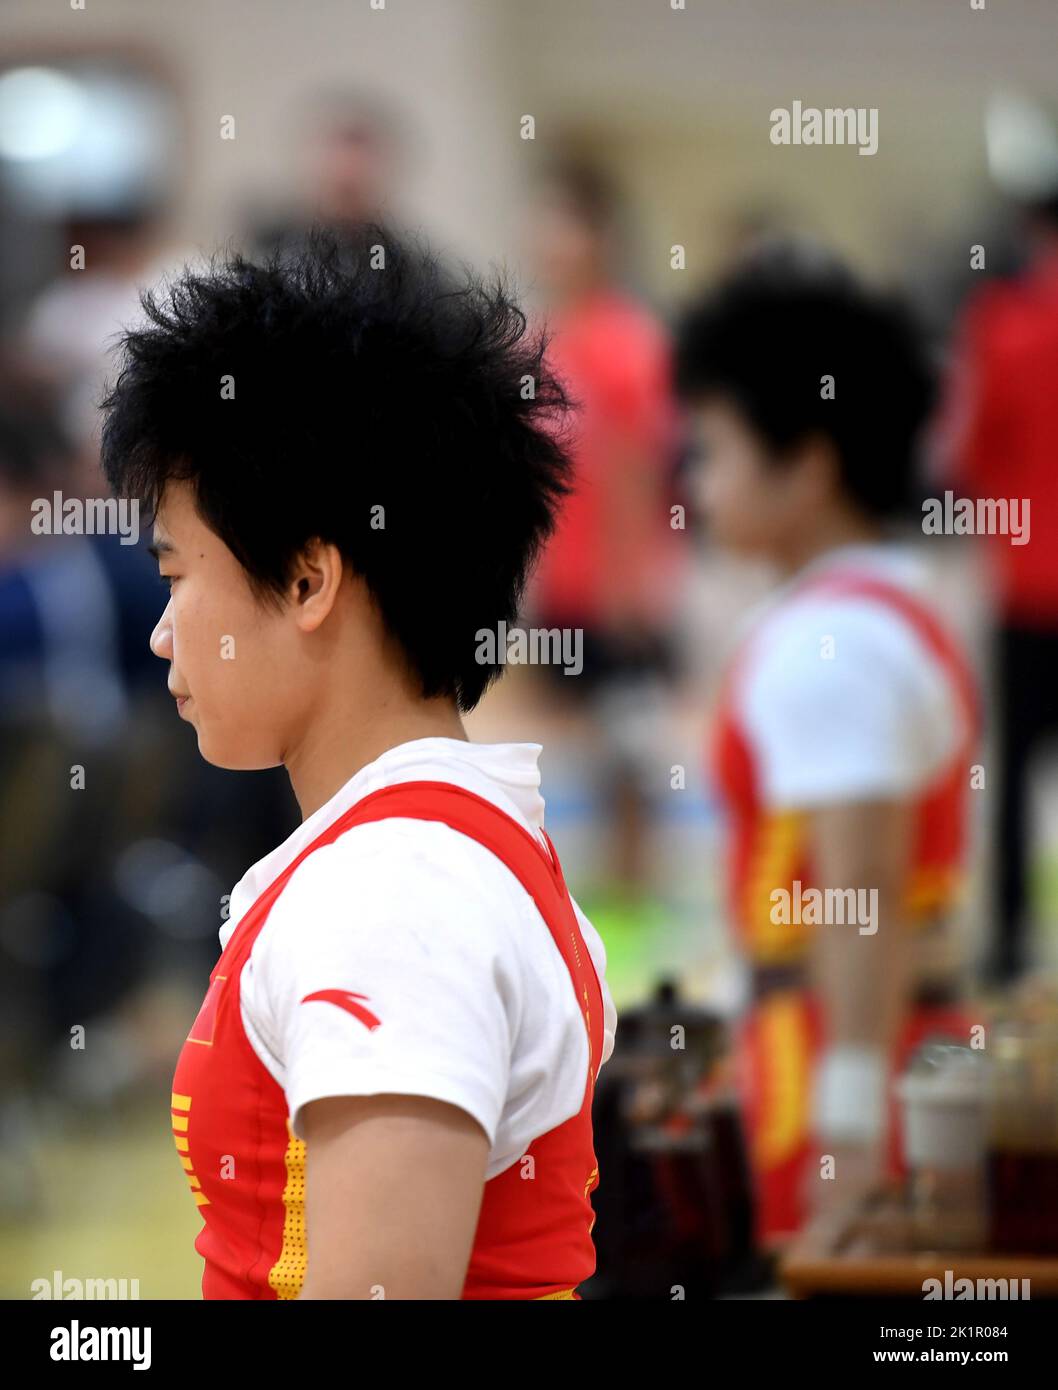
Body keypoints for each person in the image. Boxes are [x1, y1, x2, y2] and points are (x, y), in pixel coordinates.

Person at [99, 227, 617, 1300]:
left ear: (305, 581)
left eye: (177, 573)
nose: (161, 634)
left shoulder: (392, 899)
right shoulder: (431, 855)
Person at [675, 248, 978, 1245]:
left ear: (805, 465)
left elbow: (863, 901)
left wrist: (843, 1146)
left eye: (712, 451)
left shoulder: (828, 645)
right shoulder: (883, 608)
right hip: (883, 1056)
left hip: (838, 1078)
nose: (696, 484)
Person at [525, 160, 684, 903]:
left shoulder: (629, 341)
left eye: (568, 226)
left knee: (629, 754)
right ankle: (587, 901)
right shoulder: (542, 339)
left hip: (617, 589)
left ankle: (637, 890)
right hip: (561, 583)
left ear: (601, 240)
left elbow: (635, 471)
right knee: (570, 753)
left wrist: (632, 585)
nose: (551, 242)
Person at [940, 191, 1058, 985]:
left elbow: (971, 451)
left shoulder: (1003, 326)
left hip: (1025, 585)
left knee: (1014, 772)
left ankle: (1012, 939)